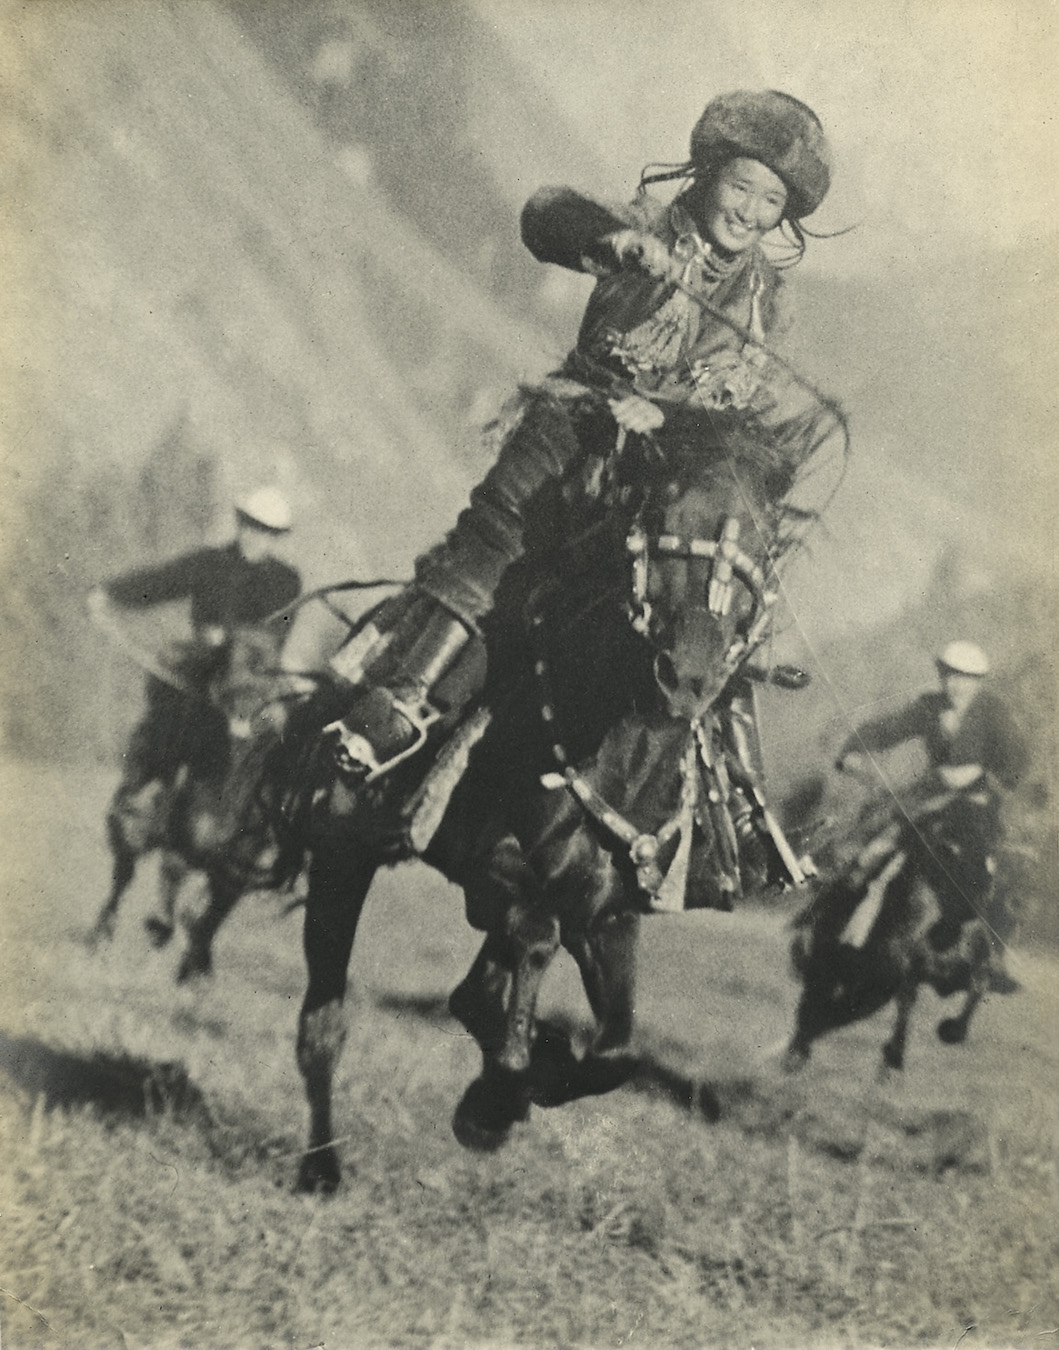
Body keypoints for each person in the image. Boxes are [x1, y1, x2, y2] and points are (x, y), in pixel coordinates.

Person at [327, 90, 836, 879]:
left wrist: (665, 418)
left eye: (770, 202)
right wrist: (616, 244)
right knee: (492, 550)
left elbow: (736, 401)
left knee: (708, 604)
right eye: (741, 187)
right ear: (705, 176)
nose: (749, 212)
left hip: (664, 471)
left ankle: (724, 815)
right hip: (570, 433)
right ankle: (393, 709)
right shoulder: (647, 223)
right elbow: (545, 214)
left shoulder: (773, 299)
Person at [835, 640, 1029, 993]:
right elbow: (886, 728)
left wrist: (979, 774)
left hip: (976, 805)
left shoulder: (993, 713)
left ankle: (989, 959)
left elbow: (1017, 762)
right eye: (950, 676)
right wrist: (852, 751)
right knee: (879, 845)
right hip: (931, 795)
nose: (956, 685)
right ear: (942, 676)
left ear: (979, 682)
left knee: (984, 870)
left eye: (966, 678)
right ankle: (846, 931)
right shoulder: (929, 707)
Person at [89, 486, 302, 807]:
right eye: (251, 526)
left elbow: (275, 633)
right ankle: (150, 784)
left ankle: (261, 824)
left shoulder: (286, 581)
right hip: (202, 665)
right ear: (241, 524)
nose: (256, 537)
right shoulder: (209, 563)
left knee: (282, 732)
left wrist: (231, 638)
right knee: (169, 703)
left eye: (267, 532)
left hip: (251, 676)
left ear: (276, 537)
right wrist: (109, 594)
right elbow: (161, 582)